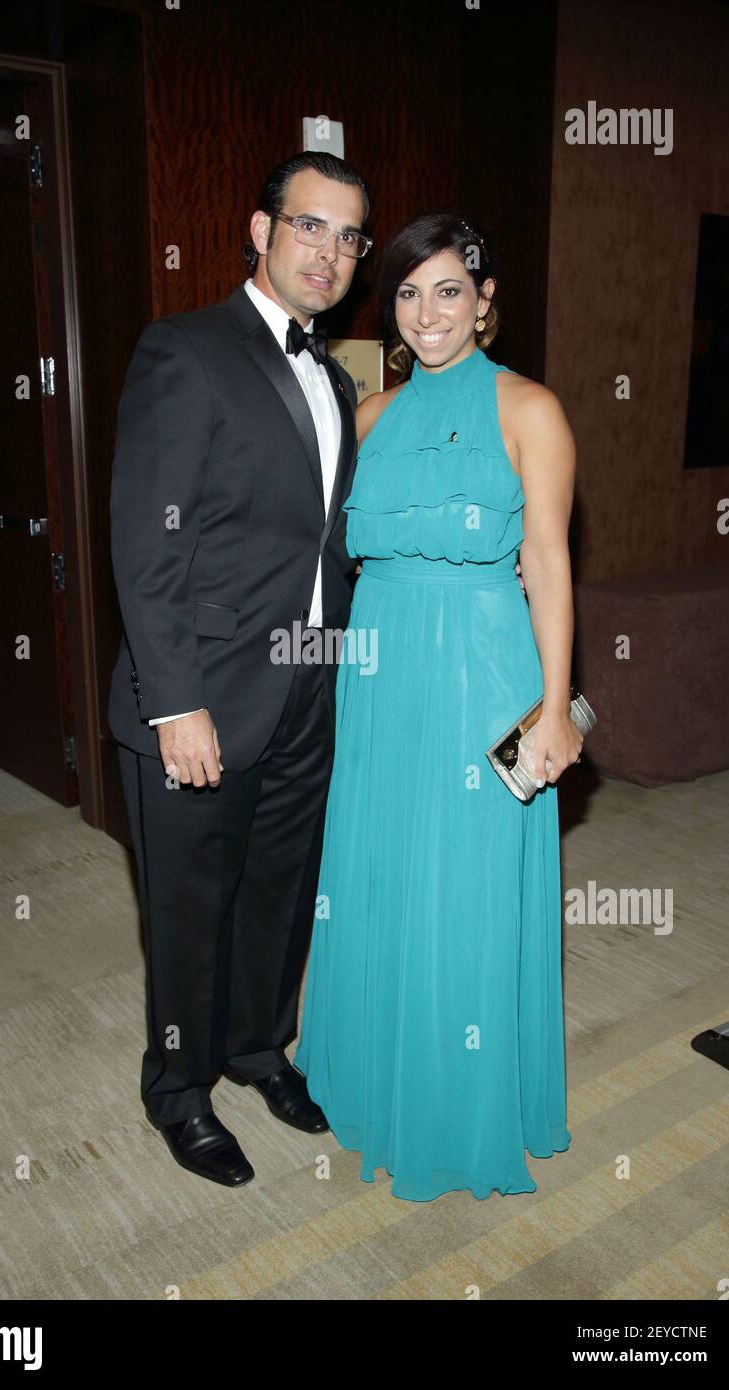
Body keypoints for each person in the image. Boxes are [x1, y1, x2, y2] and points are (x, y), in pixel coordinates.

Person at [294, 213, 581, 1202]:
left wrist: (552, 711)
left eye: (447, 290)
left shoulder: (527, 410)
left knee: (461, 888)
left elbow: (546, 563)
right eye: (407, 294)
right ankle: (372, 1079)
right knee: (374, 874)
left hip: (477, 672)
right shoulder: (367, 419)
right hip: (380, 675)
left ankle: (454, 1109)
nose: (426, 313)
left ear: (484, 298)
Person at [108, 152, 371, 1187]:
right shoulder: (184, 349)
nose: (330, 252)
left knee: (277, 890)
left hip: (306, 681)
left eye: (348, 236)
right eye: (310, 226)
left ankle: (259, 1049)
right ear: (257, 230)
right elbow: (146, 541)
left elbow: (321, 540)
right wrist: (174, 702)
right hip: (202, 693)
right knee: (185, 905)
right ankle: (177, 1087)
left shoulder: (337, 375)